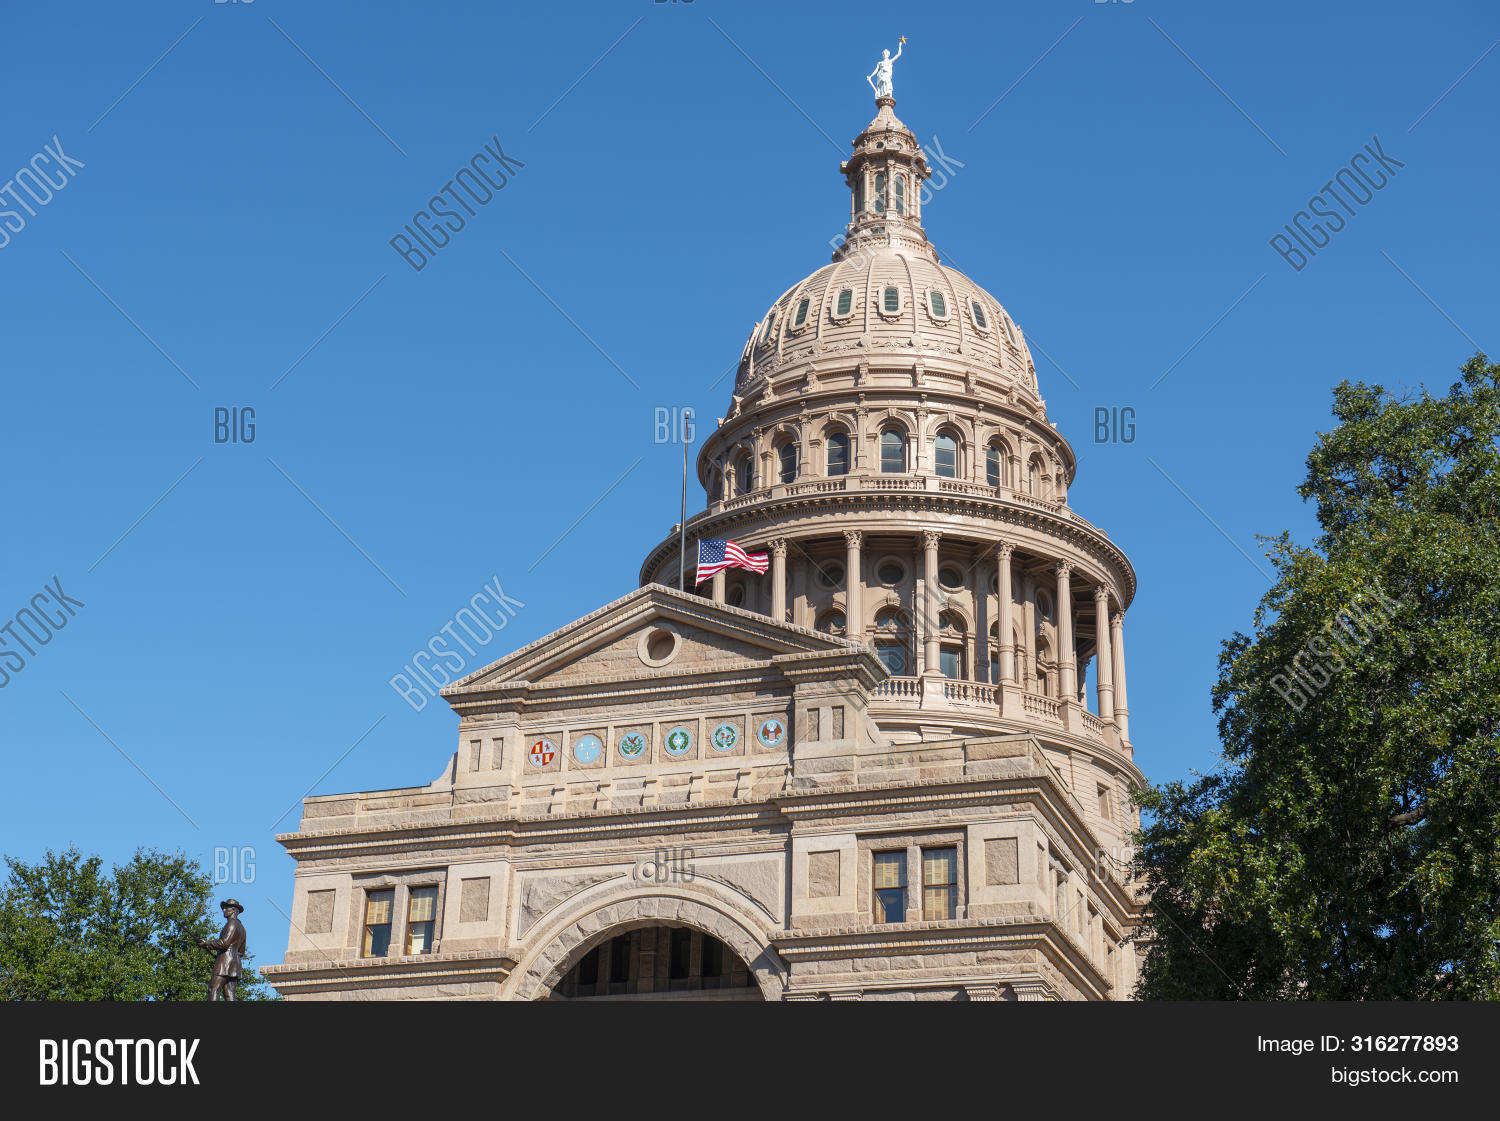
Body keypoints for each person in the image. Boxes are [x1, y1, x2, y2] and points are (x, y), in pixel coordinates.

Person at [198, 898, 247, 1001]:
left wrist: (207, 943)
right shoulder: (242, 928)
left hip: (224, 964)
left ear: (233, 910)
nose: (224, 910)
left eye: (226, 908)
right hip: (235, 965)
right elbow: (241, 952)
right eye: (223, 908)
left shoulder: (231, 924)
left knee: (213, 989)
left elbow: (224, 943)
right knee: (230, 994)